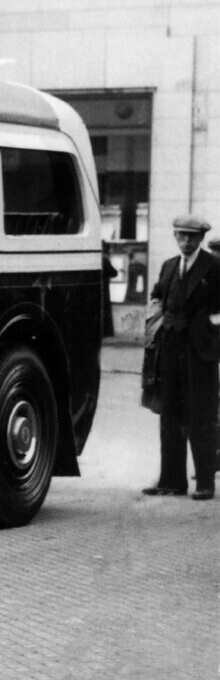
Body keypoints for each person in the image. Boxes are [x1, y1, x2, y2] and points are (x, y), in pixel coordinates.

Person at [143, 214, 220, 501]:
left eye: (192, 237)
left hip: (199, 353)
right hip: (170, 349)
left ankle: (204, 482)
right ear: (175, 237)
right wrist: (157, 326)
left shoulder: (214, 267)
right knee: (170, 416)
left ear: (201, 239)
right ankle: (172, 480)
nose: (186, 241)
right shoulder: (168, 266)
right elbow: (157, 298)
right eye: (181, 236)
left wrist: (212, 339)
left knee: (201, 415)